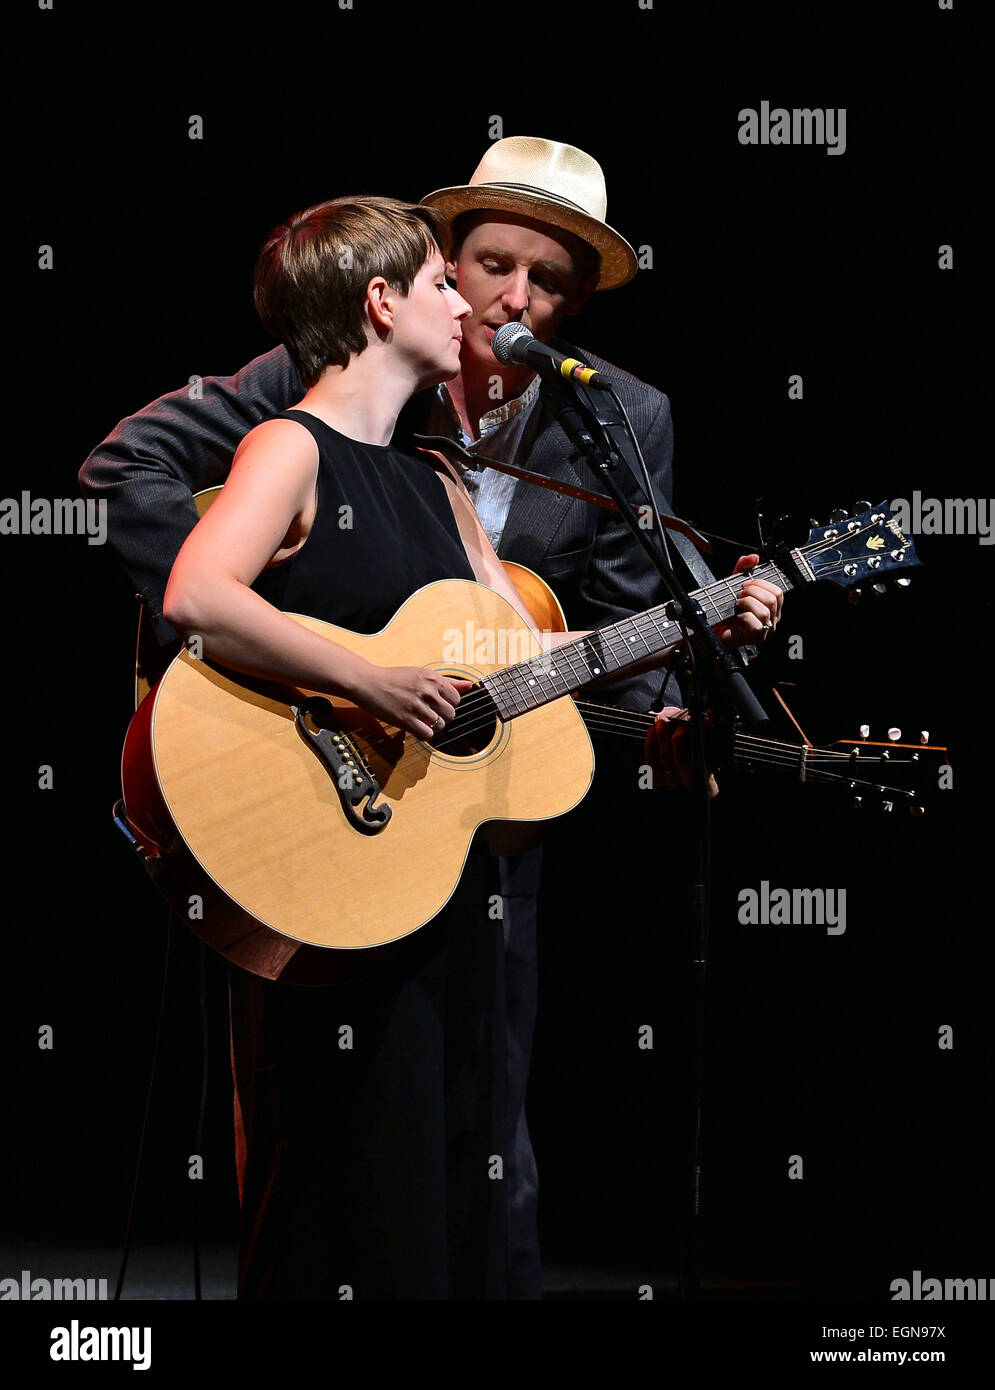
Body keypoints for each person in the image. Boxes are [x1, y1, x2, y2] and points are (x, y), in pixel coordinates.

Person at [80, 139, 782, 1297]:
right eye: (469, 272)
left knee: (465, 1127)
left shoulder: (525, 446)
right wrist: (288, 673)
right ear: (400, 289)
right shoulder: (292, 417)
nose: (491, 302)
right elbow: (191, 564)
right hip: (301, 786)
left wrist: (699, 625)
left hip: (457, 814)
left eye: (537, 281)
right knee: (320, 1143)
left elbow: (546, 640)